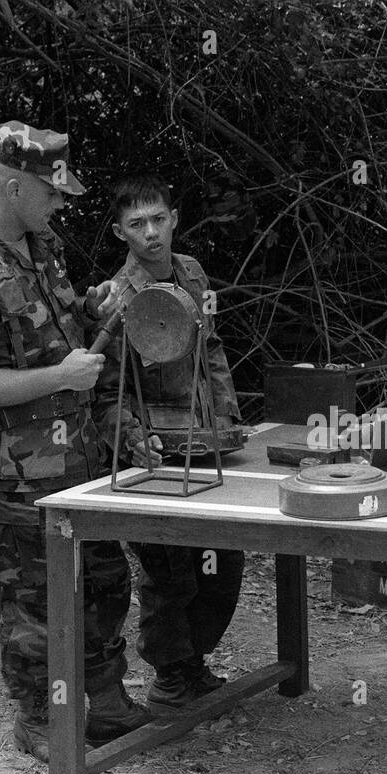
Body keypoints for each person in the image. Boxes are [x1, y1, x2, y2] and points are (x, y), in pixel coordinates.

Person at [0, 121, 151, 762]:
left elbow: (50, 324)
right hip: (19, 473)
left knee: (106, 579)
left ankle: (105, 703)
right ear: (11, 183)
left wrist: (89, 306)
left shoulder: (40, 244)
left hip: (79, 457)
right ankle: (37, 718)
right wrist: (61, 376)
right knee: (35, 604)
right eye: (52, 192)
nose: (61, 203)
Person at [101, 173, 245, 711]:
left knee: (222, 558)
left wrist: (228, 419)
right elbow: (109, 388)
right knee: (167, 568)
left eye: (159, 219)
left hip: (207, 441)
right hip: (154, 451)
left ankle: (192, 660)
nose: (152, 233)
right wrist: (134, 441)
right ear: (121, 233)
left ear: (174, 218)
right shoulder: (118, 298)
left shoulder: (192, 273)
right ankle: (169, 673)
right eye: (137, 224)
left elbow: (214, 350)